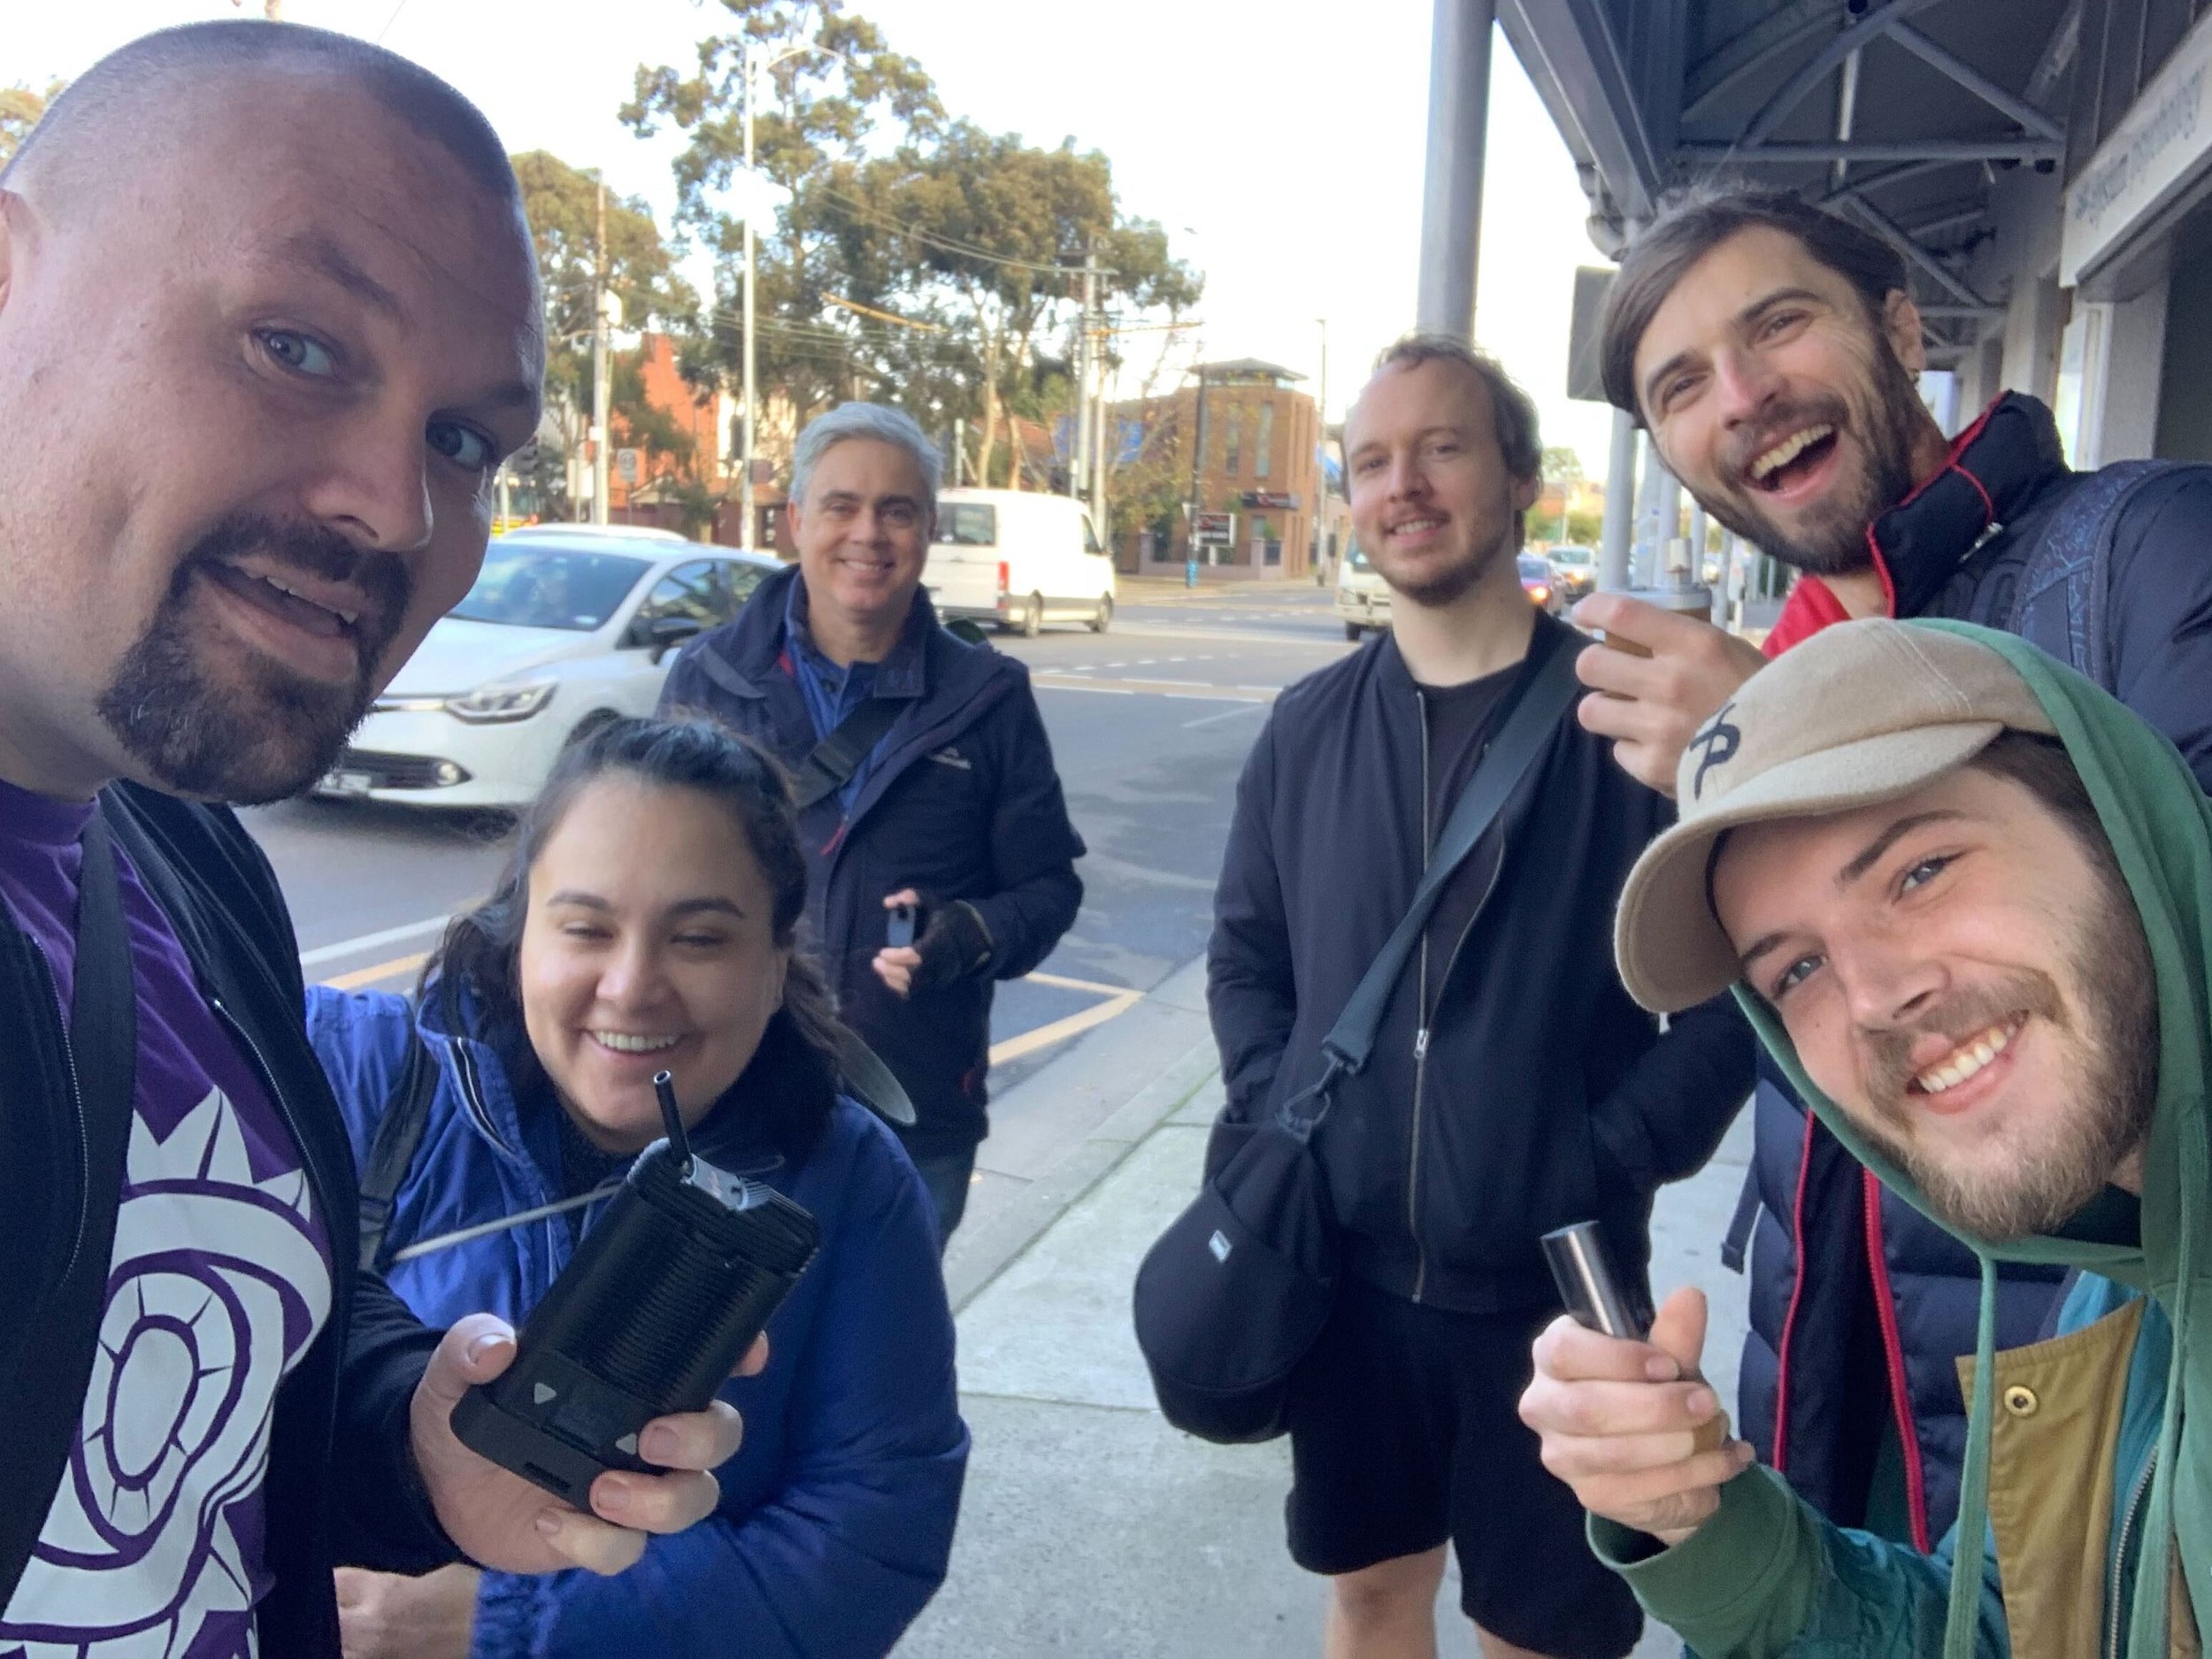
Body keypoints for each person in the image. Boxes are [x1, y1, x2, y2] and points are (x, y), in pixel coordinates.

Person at [0, 24, 748, 1654]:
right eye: (299, 346)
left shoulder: (192, 874)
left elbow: (188, 1369)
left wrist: (413, 1443)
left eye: (463, 441)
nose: (399, 508)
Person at [1574, 182, 2212, 1551]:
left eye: (1777, 324)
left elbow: (2187, 938)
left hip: (2109, 1431)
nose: (1742, 394)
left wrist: (1787, 746)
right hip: (1839, 1401)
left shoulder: (2149, 548)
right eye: (1681, 384)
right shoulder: (1779, 654)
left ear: (1903, 327)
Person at [1206, 334, 1753, 1659]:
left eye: (1440, 447)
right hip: (1348, 1285)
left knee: (1539, 1635)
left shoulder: (1623, 726)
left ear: (1518, 478)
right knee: (1371, 1597)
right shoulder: (1307, 727)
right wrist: (1296, 1129)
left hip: (1559, 1286)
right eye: (1372, 460)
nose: (1402, 483)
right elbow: (1246, 960)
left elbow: (1738, 988)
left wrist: (1599, 1156)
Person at [1522, 616, 2209, 1658]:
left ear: (2118, 826)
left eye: (1920, 872)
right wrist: (1705, 1527)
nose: (1876, 998)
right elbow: (2018, 1630)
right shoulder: (2122, 1269)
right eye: (1795, 970)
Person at [306, 717, 966, 1659]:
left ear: (776, 960)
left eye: (698, 938)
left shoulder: (848, 1182)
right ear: (518, 932)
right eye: (585, 928)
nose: (630, 986)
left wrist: (497, 1625)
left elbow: (873, 1531)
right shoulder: (364, 1081)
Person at [659, 402, 1086, 1248]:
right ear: (795, 520)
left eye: (897, 511)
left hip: (915, 1107)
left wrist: (970, 935)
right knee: (727, 1335)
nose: (868, 534)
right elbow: (650, 882)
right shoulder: (707, 678)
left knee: (889, 1334)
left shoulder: (988, 697)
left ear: (927, 530)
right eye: (842, 506)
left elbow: (1047, 887)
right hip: (733, 1101)